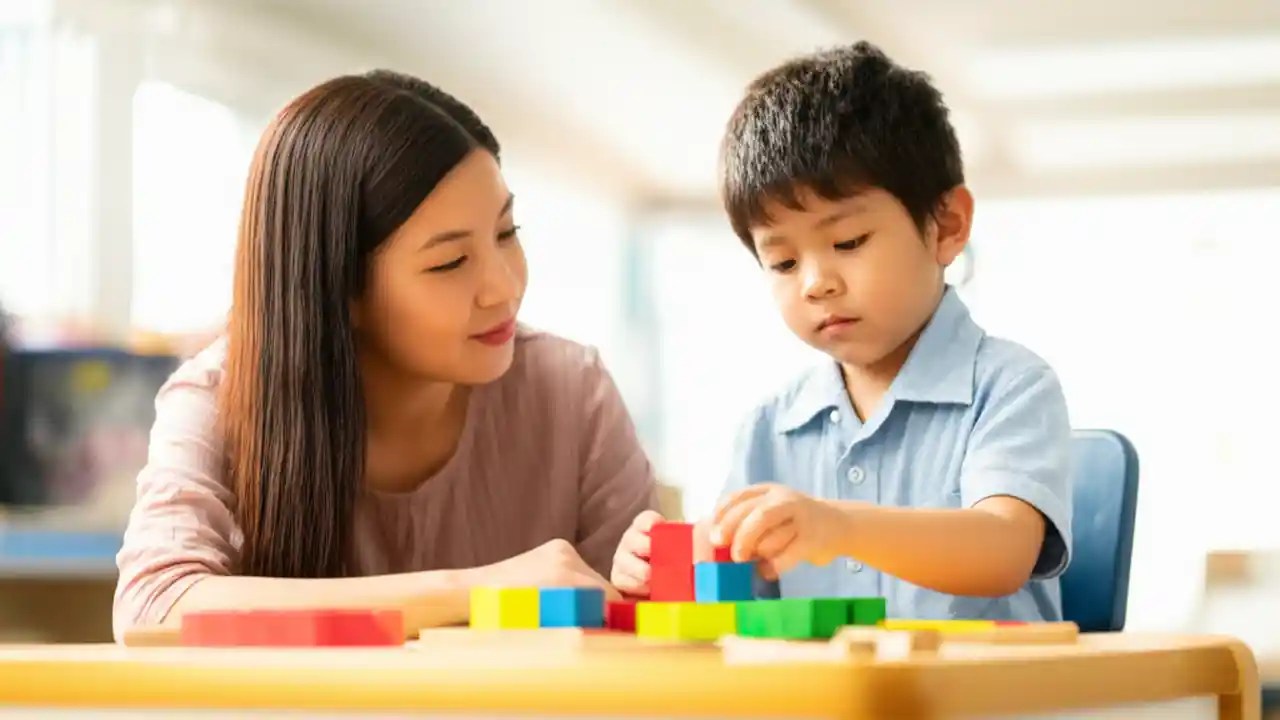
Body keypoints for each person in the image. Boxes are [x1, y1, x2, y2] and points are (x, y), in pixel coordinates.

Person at [113, 70, 657, 641]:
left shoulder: (573, 391)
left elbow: (644, 628)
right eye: (449, 262)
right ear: (339, 287)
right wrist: (473, 590)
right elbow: (154, 608)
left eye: (505, 232)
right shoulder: (217, 400)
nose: (504, 286)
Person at [612, 42, 1071, 622]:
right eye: (782, 263)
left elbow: (1003, 550)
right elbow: (735, 608)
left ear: (947, 226)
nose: (815, 283)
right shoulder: (768, 428)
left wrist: (840, 526)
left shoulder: (1009, 387)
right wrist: (660, 573)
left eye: (848, 243)